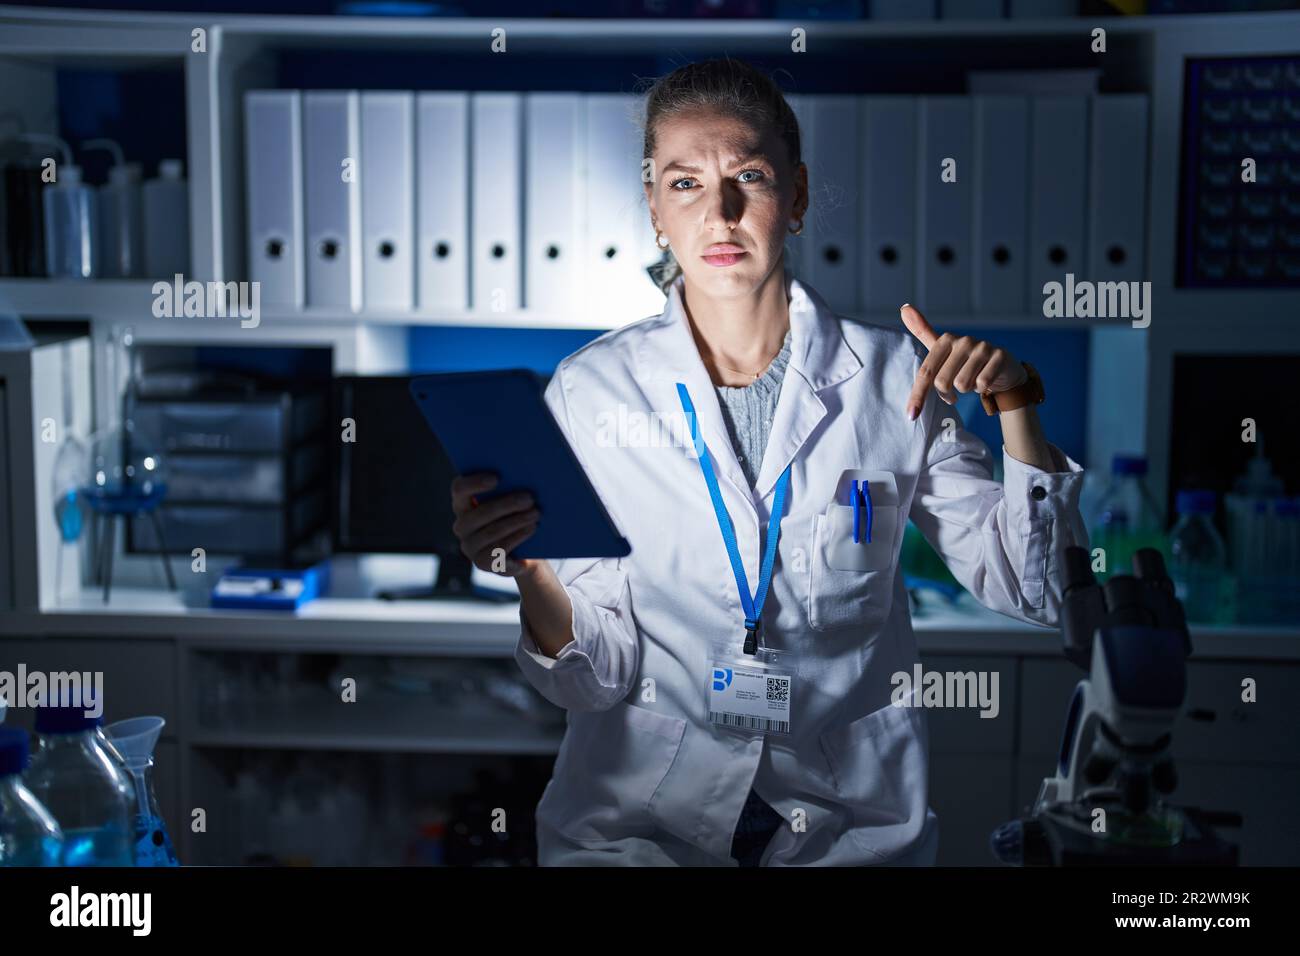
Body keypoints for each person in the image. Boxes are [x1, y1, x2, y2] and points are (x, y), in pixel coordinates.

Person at [449, 57, 1086, 866]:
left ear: (797, 196)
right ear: (653, 207)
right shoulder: (595, 391)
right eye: (684, 184)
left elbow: (1037, 590)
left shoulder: (897, 380)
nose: (719, 213)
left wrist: (1017, 408)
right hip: (640, 827)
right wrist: (531, 569)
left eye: (748, 175)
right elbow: (591, 680)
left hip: (846, 825)